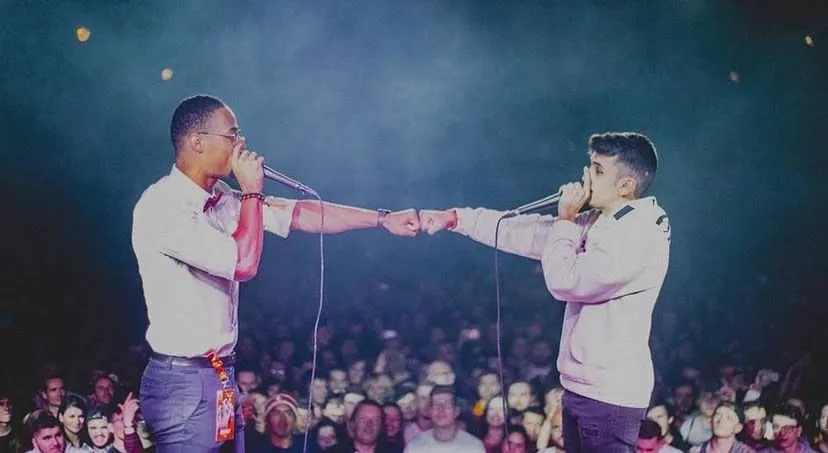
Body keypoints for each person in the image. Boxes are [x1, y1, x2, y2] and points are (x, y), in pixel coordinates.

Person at [132, 94, 421, 453]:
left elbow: (299, 212)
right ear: (197, 141)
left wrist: (381, 219)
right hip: (183, 379)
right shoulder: (162, 206)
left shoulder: (222, 196)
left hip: (220, 374)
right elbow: (243, 263)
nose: (241, 145)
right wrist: (252, 191)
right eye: (232, 135)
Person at [419, 132, 669, 453]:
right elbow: (528, 233)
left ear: (625, 186)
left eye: (597, 170)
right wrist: (457, 218)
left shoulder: (639, 234)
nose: (585, 178)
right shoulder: (603, 220)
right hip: (581, 386)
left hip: (609, 394)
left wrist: (566, 219)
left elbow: (566, 281)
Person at [403, 386, 484, 453]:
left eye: (447, 404)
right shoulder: (414, 447)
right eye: (436, 404)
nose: (441, 409)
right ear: (429, 411)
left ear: (456, 411)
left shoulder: (474, 446)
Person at [688, 402, 753, 453]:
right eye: (718, 414)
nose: (721, 420)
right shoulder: (696, 450)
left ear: (738, 428)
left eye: (728, 418)